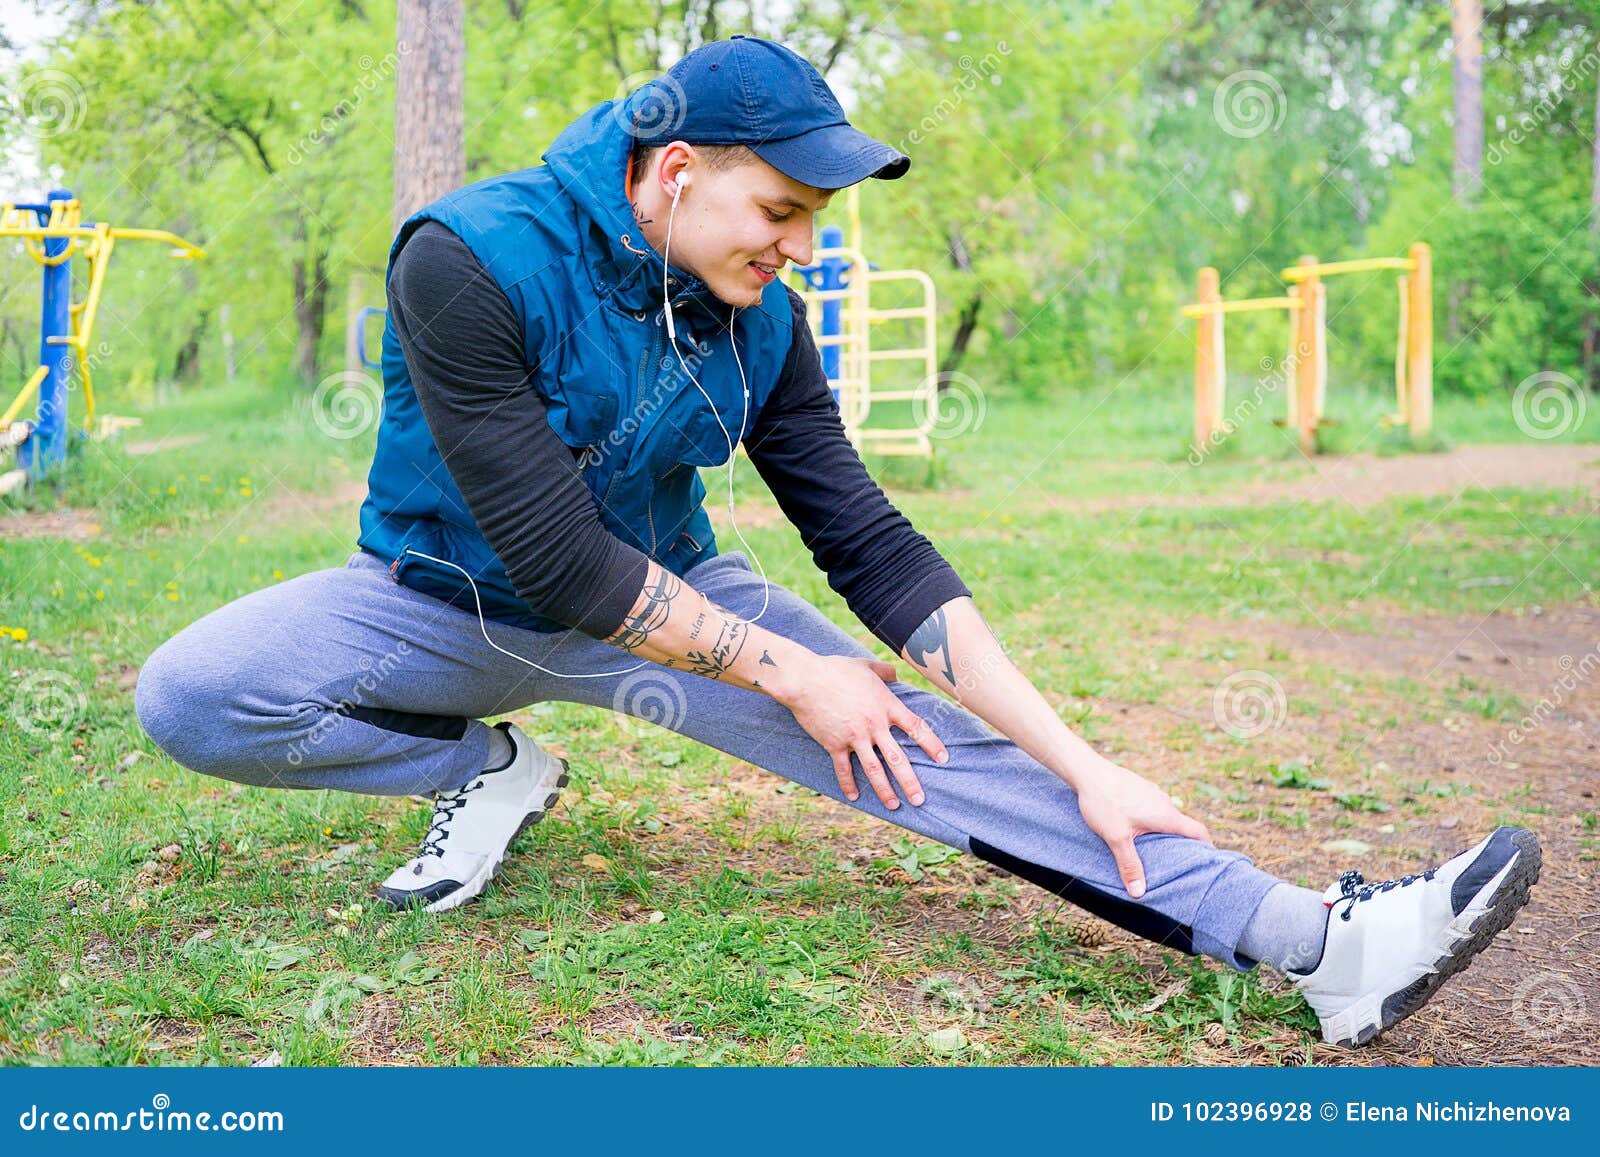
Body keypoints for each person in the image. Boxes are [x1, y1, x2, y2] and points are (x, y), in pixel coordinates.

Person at [134, 35, 1541, 1049]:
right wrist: (791, 669)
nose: (800, 245)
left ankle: (1318, 943)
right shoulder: (468, 257)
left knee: (921, 743)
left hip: (675, 602)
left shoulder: (762, 319)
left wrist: (1082, 758)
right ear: (673, 173)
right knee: (189, 695)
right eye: (782, 213)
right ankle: (490, 764)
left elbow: (870, 543)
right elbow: (558, 563)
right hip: (443, 599)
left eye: (815, 222)